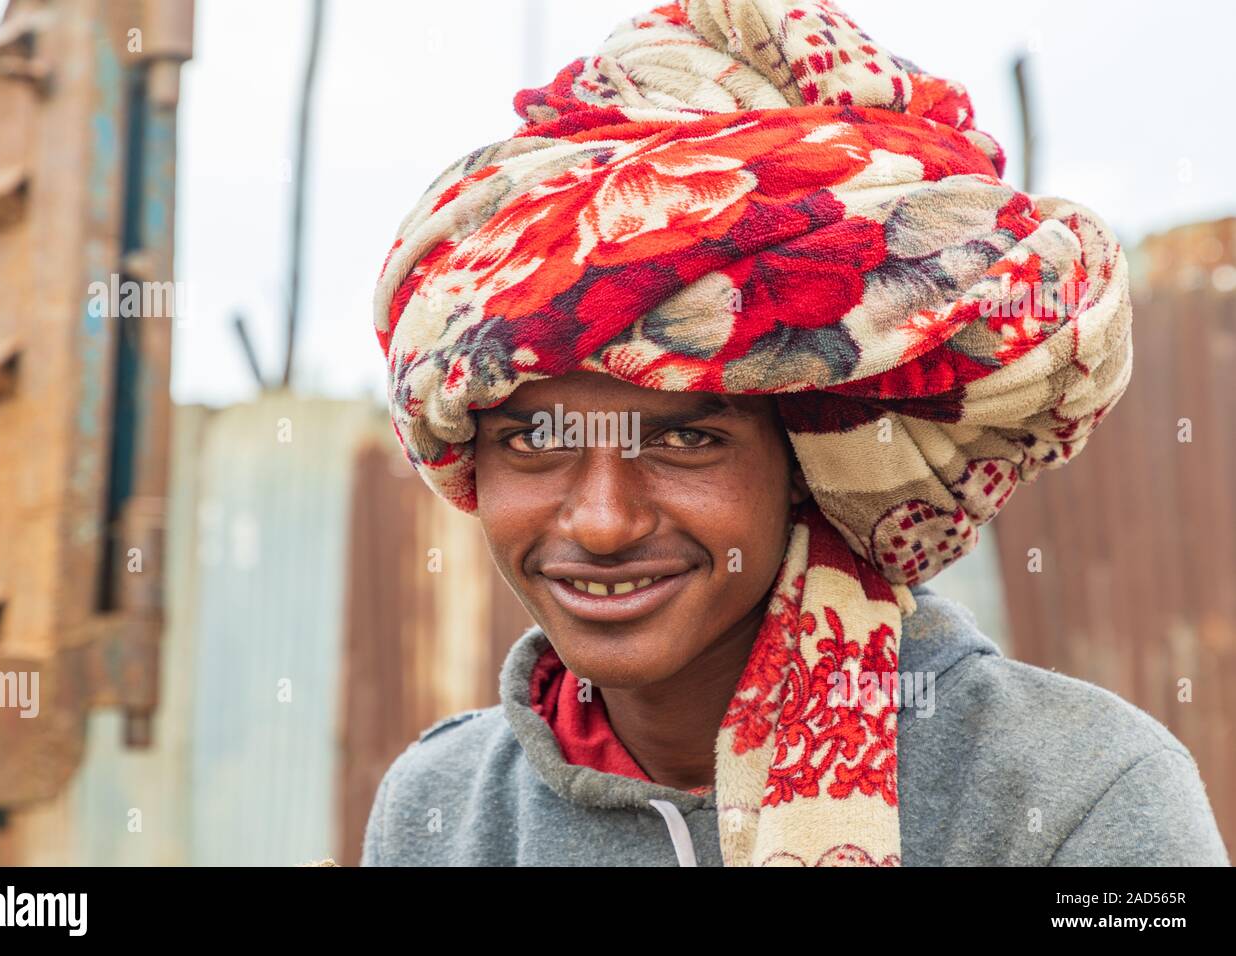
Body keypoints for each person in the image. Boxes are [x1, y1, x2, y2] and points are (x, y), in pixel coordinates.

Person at [360, 0, 1229, 866]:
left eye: (683, 442)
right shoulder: (438, 806)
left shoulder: (1080, 795)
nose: (600, 523)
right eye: (535, 443)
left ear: (808, 465)